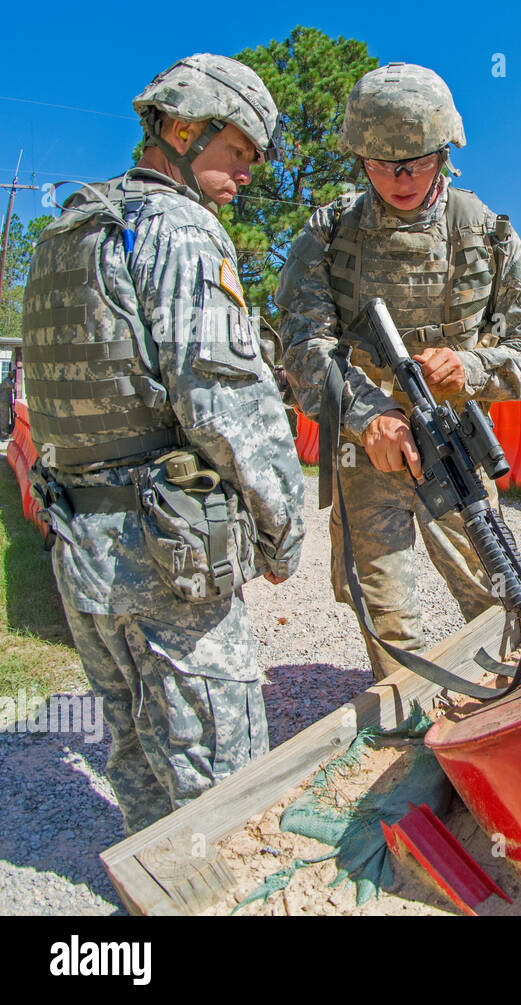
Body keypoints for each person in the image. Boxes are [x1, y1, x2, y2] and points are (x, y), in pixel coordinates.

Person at [20, 54, 305, 834]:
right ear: (182, 130)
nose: (247, 174)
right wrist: (283, 528)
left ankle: (154, 890)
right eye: (238, 152)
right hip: (167, 550)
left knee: (135, 750)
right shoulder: (181, 231)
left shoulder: (66, 231)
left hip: (80, 543)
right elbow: (227, 404)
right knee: (225, 775)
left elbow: (42, 396)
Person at [277, 63, 521, 681]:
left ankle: (506, 710)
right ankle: (404, 721)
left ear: (445, 151)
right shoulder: (328, 237)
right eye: (382, 165)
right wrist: (366, 415)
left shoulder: (487, 234)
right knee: (383, 613)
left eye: (416, 162)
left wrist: (475, 367)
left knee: (495, 595)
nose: (399, 180)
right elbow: (302, 347)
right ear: (360, 158)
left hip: (454, 445)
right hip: (365, 450)